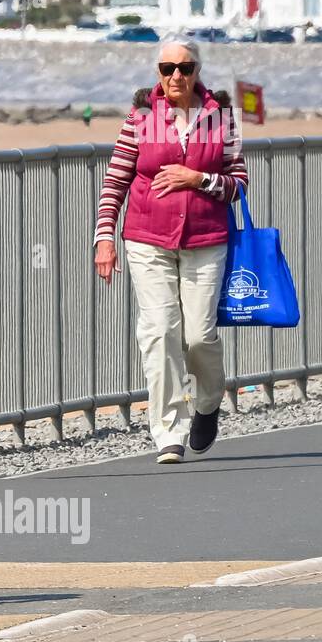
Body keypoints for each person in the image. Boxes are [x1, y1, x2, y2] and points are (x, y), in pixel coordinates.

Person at [93, 37, 248, 464]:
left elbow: (238, 183)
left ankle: (208, 402)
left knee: (199, 336)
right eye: (167, 68)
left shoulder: (221, 117)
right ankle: (167, 431)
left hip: (205, 240)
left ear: (198, 70)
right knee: (160, 332)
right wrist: (104, 237)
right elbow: (116, 180)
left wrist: (197, 179)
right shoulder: (141, 117)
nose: (176, 76)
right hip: (146, 238)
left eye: (185, 67)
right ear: (157, 72)